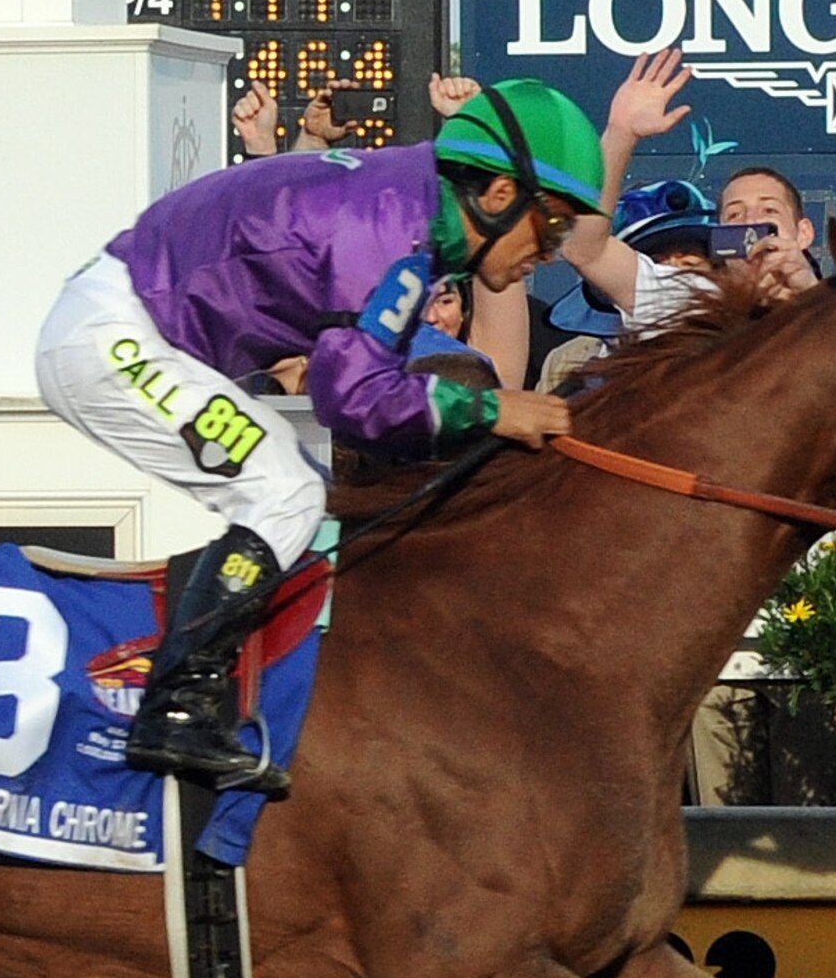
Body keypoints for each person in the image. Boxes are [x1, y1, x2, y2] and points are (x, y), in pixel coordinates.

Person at [36, 78, 594, 793]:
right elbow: (351, 397)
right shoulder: (393, 230)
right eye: (552, 227)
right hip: (112, 339)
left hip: (125, 323)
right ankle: (175, 711)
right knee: (287, 491)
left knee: (305, 493)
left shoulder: (407, 210)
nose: (550, 253)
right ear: (498, 195)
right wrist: (492, 411)